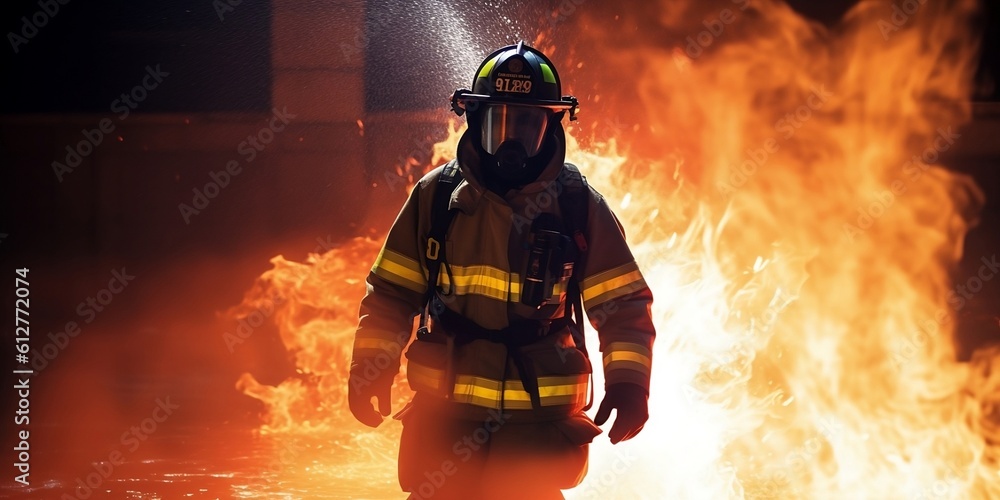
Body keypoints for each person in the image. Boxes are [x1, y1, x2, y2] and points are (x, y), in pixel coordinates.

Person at [349, 41, 656, 499]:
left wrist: (630, 384)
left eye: (527, 124)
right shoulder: (436, 197)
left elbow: (624, 306)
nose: (511, 142)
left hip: (537, 434)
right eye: (500, 122)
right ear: (476, 120)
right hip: (444, 425)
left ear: (550, 125)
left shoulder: (577, 205)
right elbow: (391, 295)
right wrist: (371, 365)